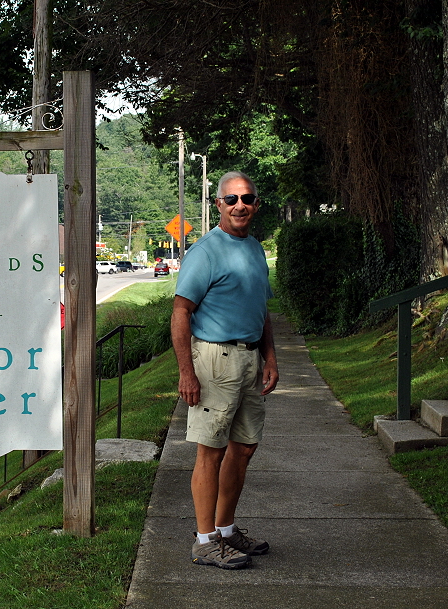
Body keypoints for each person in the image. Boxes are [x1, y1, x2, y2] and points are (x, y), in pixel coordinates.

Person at [171, 170, 279, 569]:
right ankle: (204, 541)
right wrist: (187, 372)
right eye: (231, 199)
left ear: (255, 204)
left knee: (245, 447)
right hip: (215, 360)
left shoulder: (254, 249)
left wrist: (270, 357)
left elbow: (261, 308)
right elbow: (181, 313)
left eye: (247, 199)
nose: (240, 206)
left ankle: (227, 530)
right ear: (218, 205)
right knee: (211, 452)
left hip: (250, 359)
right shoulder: (206, 252)